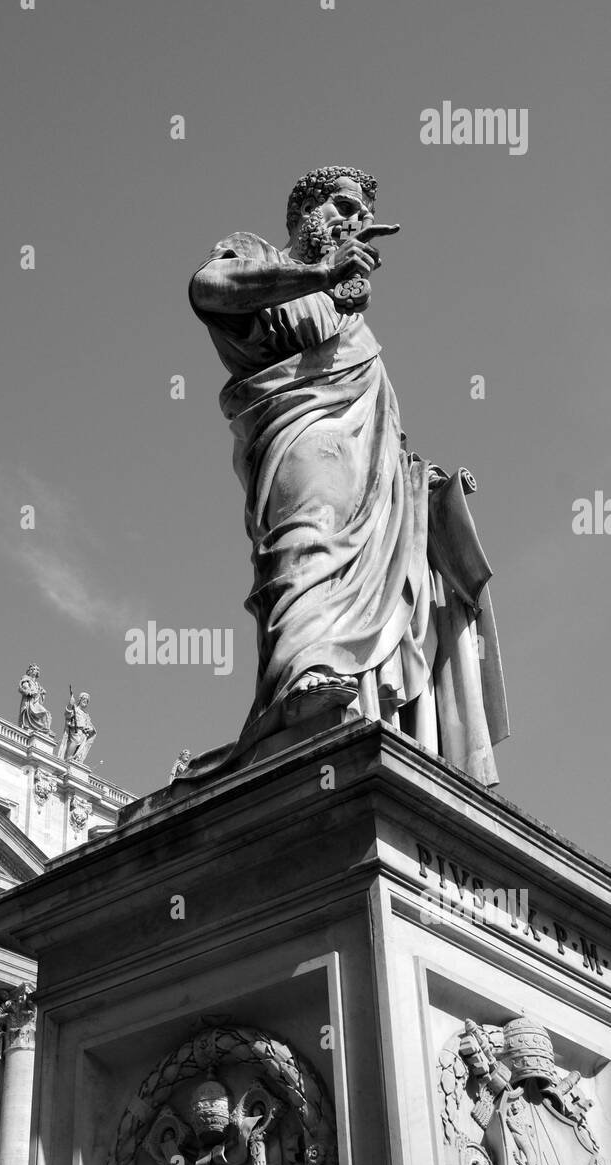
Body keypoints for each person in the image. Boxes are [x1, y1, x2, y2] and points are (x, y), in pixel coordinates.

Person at [188, 164, 508, 785]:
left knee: (364, 562)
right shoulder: (255, 257)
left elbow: (388, 438)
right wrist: (318, 275)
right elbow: (208, 288)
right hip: (297, 429)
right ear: (302, 210)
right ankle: (301, 681)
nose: (352, 221)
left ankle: (348, 695)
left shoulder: (355, 328)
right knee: (305, 540)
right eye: (341, 205)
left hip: (368, 467)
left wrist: (428, 488)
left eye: (360, 215)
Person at [58, 690, 97, 764]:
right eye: (84, 699)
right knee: (75, 741)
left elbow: (89, 724)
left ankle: (75, 759)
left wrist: (90, 729)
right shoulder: (75, 709)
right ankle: (68, 758)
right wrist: (70, 704)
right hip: (75, 730)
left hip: (84, 734)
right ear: (80, 699)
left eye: (87, 700)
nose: (85, 701)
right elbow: (68, 714)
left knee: (80, 747)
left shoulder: (86, 714)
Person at [18, 664, 52, 734]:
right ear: (28, 672)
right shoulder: (26, 678)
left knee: (46, 714)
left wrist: (42, 693)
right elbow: (23, 687)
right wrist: (29, 691)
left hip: (35, 702)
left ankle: (44, 731)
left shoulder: (37, 684)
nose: (34, 670)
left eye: (35, 669)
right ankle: (32, 727)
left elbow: (40, 697)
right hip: (29, 702)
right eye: (32, 669)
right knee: (43, 713)